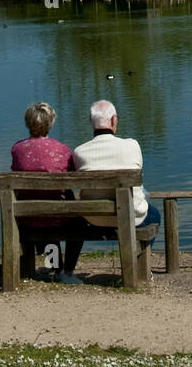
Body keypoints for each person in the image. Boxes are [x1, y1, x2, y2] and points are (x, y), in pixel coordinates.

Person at [11, 101, 84, 284]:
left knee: (41, 208)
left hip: (27, 216)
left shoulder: (18, 150)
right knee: (77, 220)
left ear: (28, 123)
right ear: (50, 123)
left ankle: (57, 267)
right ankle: (66, 271)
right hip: (59, 217)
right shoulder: (62, 150)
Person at [73, 100, 161, 230]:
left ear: (91, 122)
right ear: (113, 120)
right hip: (132, 216)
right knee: (155, 215)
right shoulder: (132, 145)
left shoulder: (79, 152)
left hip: (94, 218)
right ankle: (140, 251)